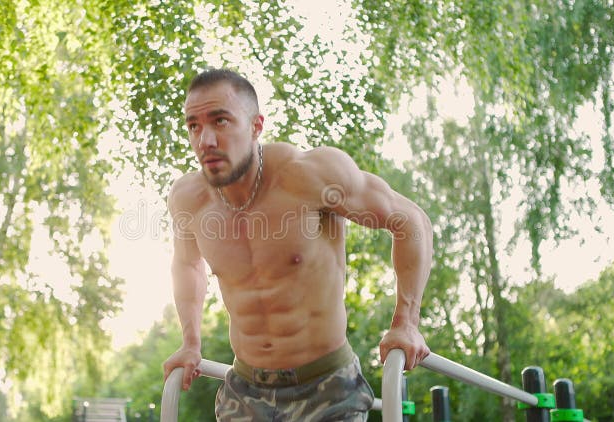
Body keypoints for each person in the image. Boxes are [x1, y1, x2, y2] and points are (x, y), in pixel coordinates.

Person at [163, 68, 433, 421]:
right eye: (193, 125)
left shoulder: (308, 176)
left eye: (221, 121)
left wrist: (406, 322)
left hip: (327, 389)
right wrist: (190, 343)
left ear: (256, 126)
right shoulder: (189, 200)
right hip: (244, 393)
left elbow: (411, 221)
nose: (206, 140)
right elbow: (187, 265)